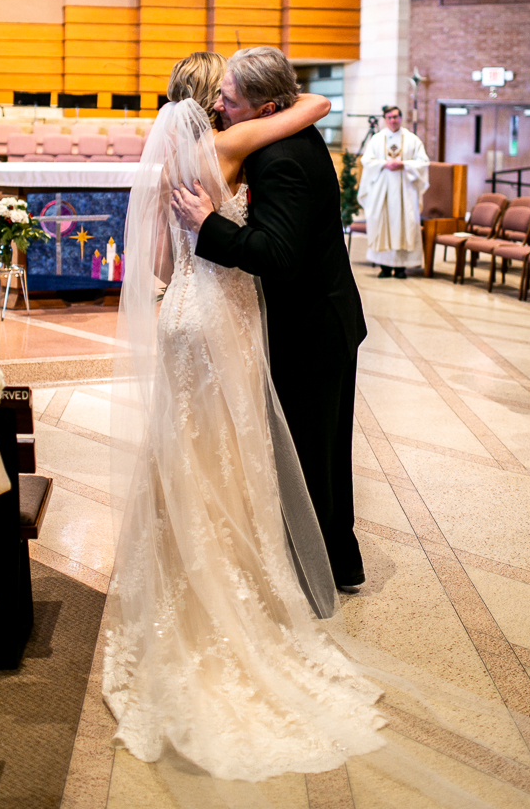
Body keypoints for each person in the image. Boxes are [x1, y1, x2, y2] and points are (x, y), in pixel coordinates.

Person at [104, 52, 385, 782]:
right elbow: (311, 109)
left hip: (209, 314)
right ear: (213, 106)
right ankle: (273, 560)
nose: (226, 106)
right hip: (226, 319)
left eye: (234, 97)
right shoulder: (234, 144)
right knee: (245, 445)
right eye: (221, 95)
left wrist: (200, 240)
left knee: (223, 446)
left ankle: (265, 557)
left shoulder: (209, 150)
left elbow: (184, 262)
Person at [173, 47, 367, 590]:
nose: (220, 105)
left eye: (230, 99)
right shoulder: (281, 136)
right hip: (318, 317)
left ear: (266, 107)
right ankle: (331, 558)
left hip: (312, 327)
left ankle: (323, 567)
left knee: (312, 452)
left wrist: (209, 224)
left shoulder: (281, 159)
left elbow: (277, 255)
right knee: (317, 451)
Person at [357, 105, 430, 279]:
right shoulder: (377, 139)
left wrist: (404, 164)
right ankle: (384, 268)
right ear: (385, 119)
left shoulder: (412, 140)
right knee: (383, 224)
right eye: (389, 117)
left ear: (401, 117)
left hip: (405, 190)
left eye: (395, 117)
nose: (393, 120)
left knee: (405, 224)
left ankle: (401, 269)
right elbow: (367, 160)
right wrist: (384, 164)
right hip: (383, 190)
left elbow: (423, 162)